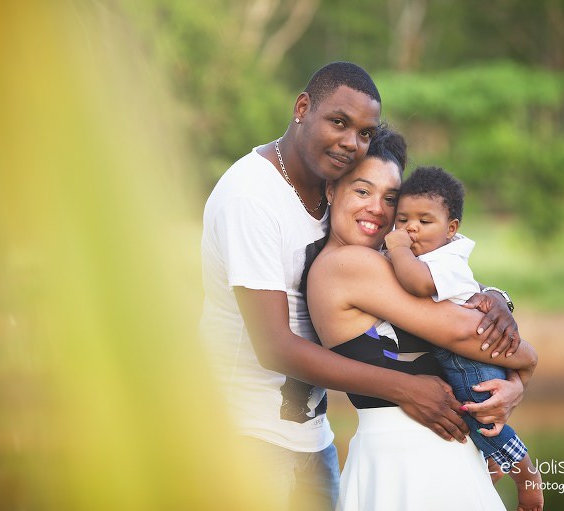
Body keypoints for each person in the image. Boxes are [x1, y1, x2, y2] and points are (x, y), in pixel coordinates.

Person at [200, 62, 523, 511]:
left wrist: (498, 300)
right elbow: (274, 346)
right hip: (245, 436)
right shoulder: (251, 198)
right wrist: (405, 388)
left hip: (312, 436)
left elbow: (434, 278)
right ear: (302, 108)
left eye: (365, 132)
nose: (352, 142)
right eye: (339, 122)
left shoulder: (334, 196)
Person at [305, 128, 539, 510]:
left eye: (390, 198)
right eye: (362, 191)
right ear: (331, 190)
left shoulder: (387, 260)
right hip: (410, 456)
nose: (377, 209)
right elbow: (463, 330)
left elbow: (465, 294)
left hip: (432, 450)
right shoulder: (348, 263)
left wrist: (497, 297)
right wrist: (527, 362)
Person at [384, 166, 544, 511]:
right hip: (460, 357)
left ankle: (527, 476)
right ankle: (493, 461)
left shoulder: (446, 259)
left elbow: (417, 283)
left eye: (425, 221)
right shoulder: (426, 255)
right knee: (475, 420)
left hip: (469, 360)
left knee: (482, 420)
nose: (411, 228)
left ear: (451, 229)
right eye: (403, 220)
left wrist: (396, 249)